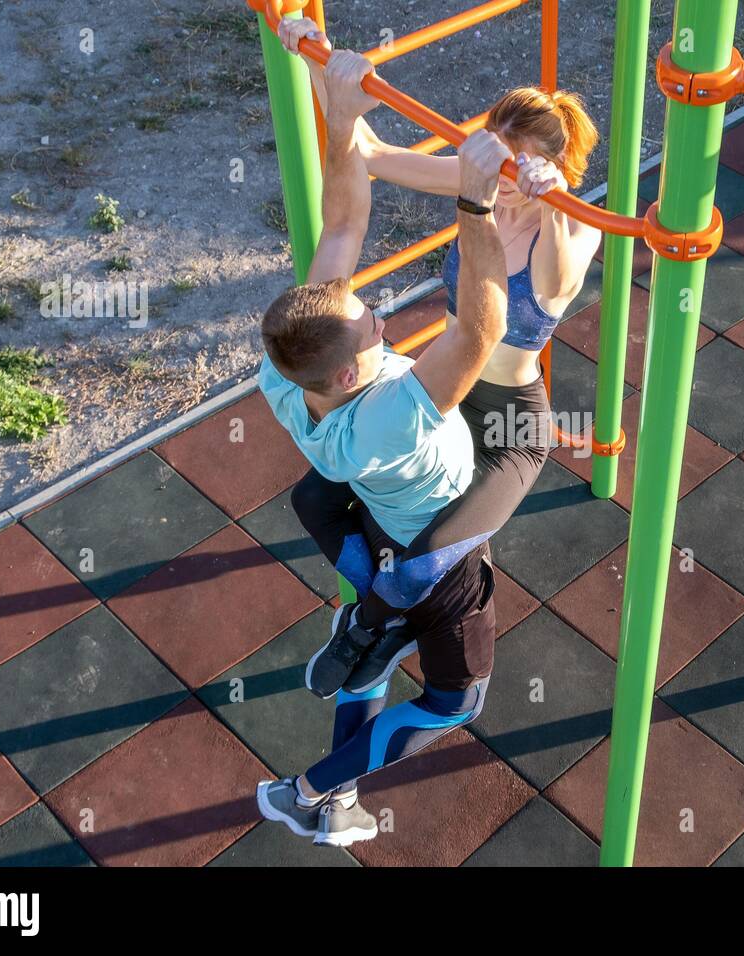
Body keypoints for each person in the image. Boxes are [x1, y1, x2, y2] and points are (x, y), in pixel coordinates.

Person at [273, 16, 603, 696]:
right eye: (492, 150)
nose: (493, 171)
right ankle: (385, 616)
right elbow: (369, 152)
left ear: (546, 168)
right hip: (444, 392)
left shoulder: (566, 231)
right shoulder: (481, 176)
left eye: (512, 163)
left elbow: (565, 268)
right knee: (313, 497)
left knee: (427, 559)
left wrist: (551, 192)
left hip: (508, 423)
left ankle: (375, 623)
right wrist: (321, 69)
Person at [254, 43, 513, 847]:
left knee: (372, 646)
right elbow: (480, 328)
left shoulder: (283, 366)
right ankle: (308, 792)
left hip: (375, 520)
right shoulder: (390, 415)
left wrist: (341, 120)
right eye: (373, 333)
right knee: (455, 700)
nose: (385, 324)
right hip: (438, 553)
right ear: (337, 378)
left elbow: (343, 219)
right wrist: (476, 205)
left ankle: (368, 623)